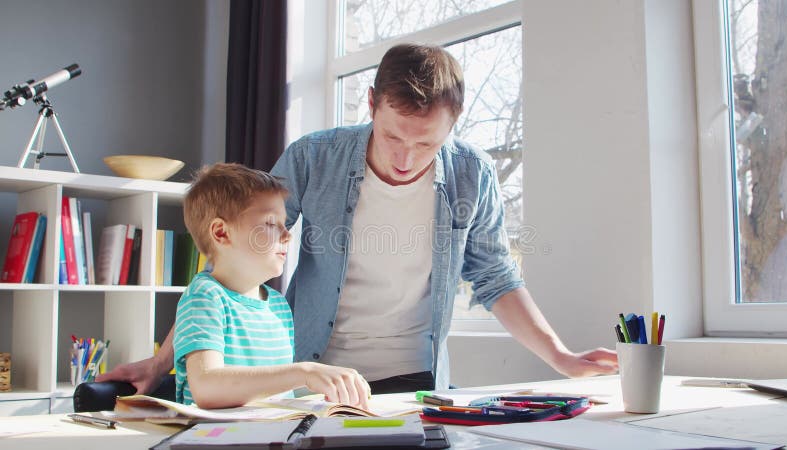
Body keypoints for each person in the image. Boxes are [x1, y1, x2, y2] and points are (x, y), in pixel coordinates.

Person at [99, 44, 617, 395]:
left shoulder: (472, 174)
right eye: (394, 136)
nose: (406, 159)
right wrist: (161, 361)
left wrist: (562, 358)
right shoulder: (313, 159)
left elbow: (496, 277)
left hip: (415, 377)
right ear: (371, 104)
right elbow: (232, 257)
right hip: (313, 373)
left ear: (452, 126)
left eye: (427, 144)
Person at [169, 163, 369, 408]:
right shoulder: (204, 297)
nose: (287, 235)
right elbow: (207, 387)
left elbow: (277, 396)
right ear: (221, 233)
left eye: (284, 223)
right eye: (271, 223)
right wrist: (303, 372)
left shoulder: (278, 305)